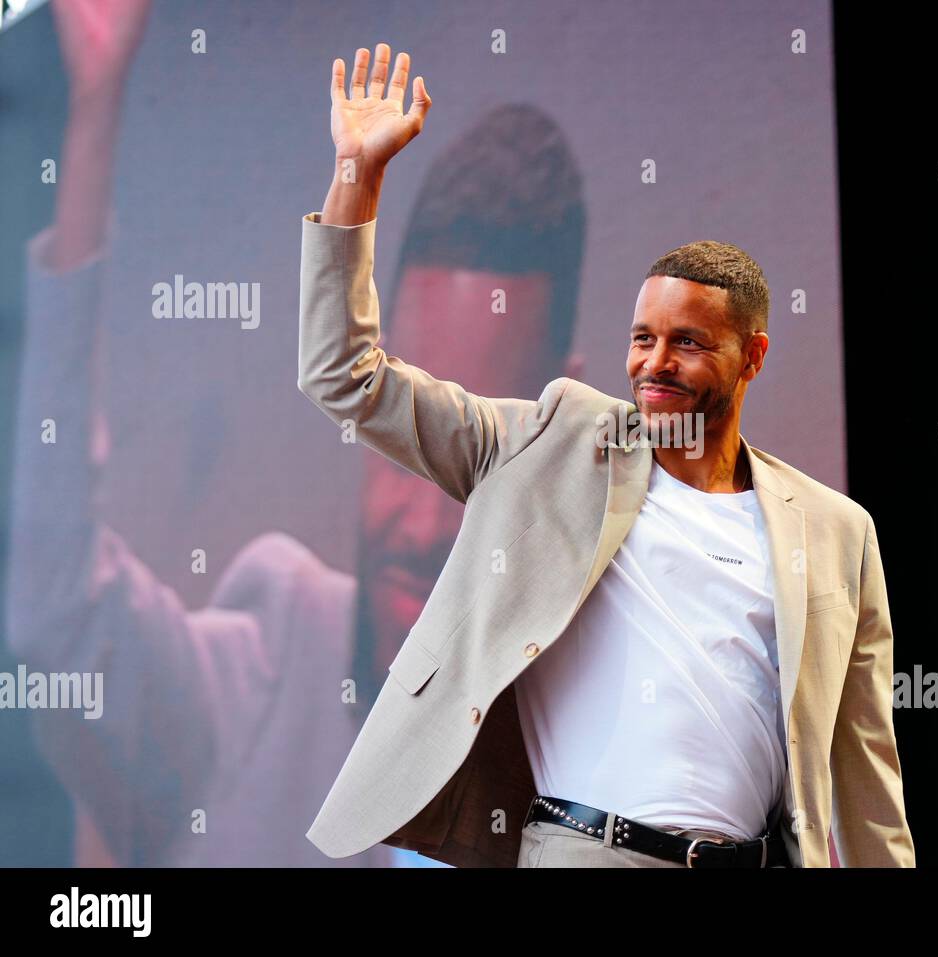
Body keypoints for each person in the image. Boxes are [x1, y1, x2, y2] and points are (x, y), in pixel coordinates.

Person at [300, 44, 915, 868]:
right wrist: (357, 176)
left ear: (753, 355)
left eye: (687, 342)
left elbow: (866, 775)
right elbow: (347, 377)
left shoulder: (839, 531)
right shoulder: (551, 442)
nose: (654, 363)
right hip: (584, 849)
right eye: (642, 338)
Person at [5, 1, 582, 868]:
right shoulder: (267, 671)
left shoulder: (592, 725)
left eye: (470, 447)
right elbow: (57, 611)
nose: (421, 523)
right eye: (405, 420)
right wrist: (90, 122)